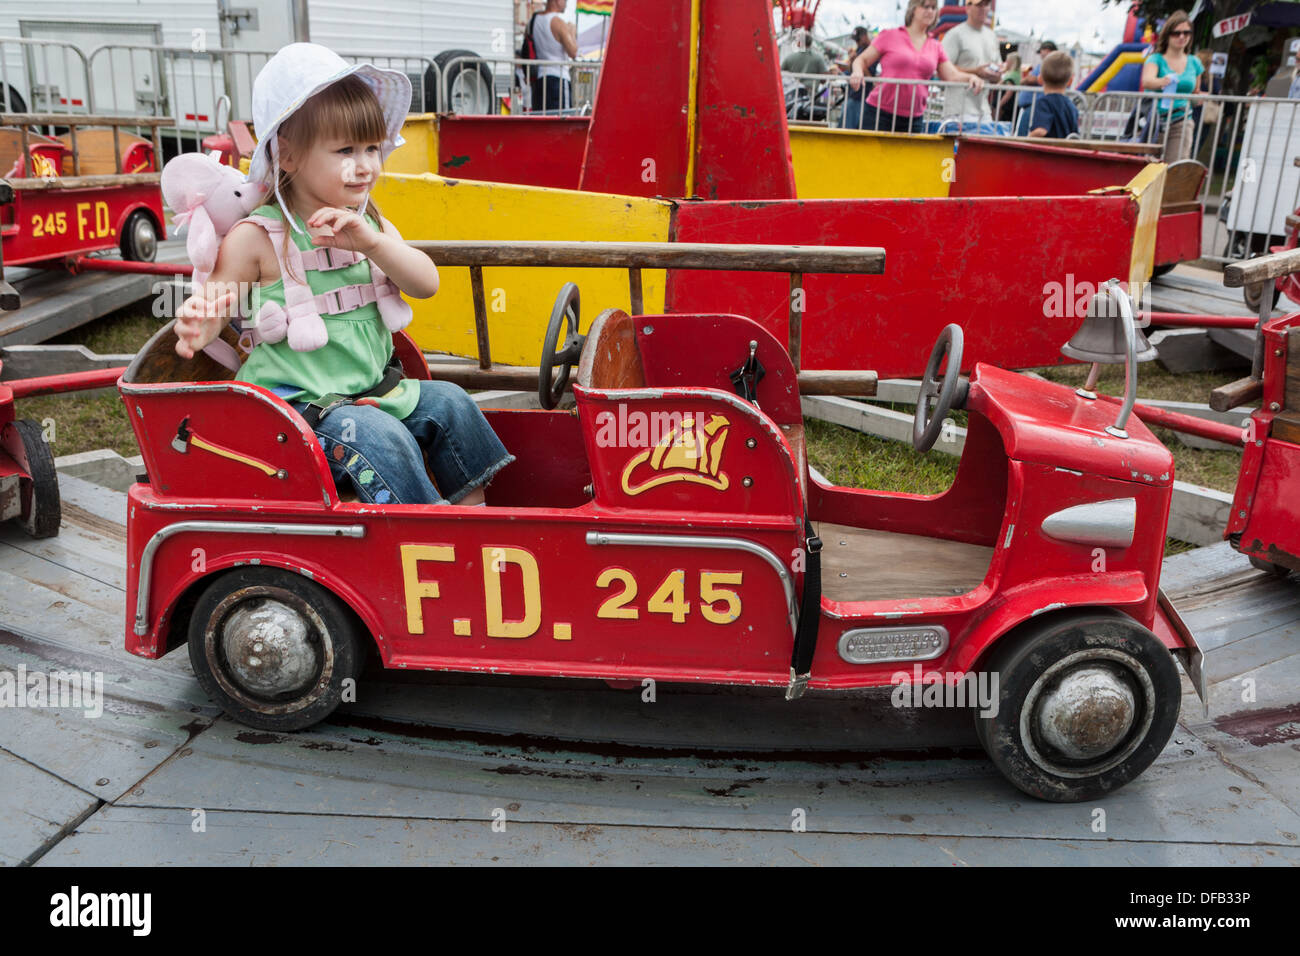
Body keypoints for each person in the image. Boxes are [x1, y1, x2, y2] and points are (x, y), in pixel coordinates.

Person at [172, 43, 514, 506]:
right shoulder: (260, 237)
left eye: (373, 147)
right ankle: (427, 531)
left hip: (375, 391)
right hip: (296, 414)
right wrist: (200, 320)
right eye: (346, 150)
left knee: (452, 402)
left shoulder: (368, 222)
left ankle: (474, 524)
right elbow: (218, 301)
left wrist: (373, 244)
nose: (366, 164)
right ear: (288, 156)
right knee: (379, 437)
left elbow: (425, 283)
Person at [848, 0, 985, 134]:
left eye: (933, 7)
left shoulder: (936, 46)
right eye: (925, 6)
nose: (930, 11)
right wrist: (857, 72)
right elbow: (861, 60)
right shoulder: (889, 35)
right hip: (878, 113)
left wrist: (972, 77)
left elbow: (952, 75)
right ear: (913, 9)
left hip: (913, 119)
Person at [1141, 9, 1204, 162]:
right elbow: (1147, 81)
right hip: (1155, 121)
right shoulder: (1156, 59)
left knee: (1176, 167)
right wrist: (1163, 81)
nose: (1182, 36)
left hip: (1182, 120)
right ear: (1168, 35)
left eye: (1186, 32)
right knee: (1148, 168)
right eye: (1176, 33)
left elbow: (1196, 91)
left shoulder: (1195, 62)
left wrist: (1200, 97)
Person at [941, 0, 1003, 127]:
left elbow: (999, 73)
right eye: (979, 5)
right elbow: (942, 69)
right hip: (958, 109)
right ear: (967, 7)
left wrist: (997, 74)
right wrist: (975, 71)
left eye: (986, 5)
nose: (983, 8)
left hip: (984, 109)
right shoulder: (955, 34)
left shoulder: (992, 36)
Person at [533, 0, 578, 113]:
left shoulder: (535, 20)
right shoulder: (557, 22)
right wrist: (572, 32)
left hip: (540, 77)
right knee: (563, 120)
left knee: (542, 120)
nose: (566, 4)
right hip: (559, 78)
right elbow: (573, 52)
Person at [1020, 51, 1079, 138]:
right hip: (1064, 150)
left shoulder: (1044, 103)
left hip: (1046, 150)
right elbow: (1074, 135)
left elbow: (1040, 131)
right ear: (1070, 81)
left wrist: (1026, 140)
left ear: (1040, 79)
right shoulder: (1071, 106)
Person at [838, 26, 877, 130]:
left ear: (864, 37)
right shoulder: (860, 49)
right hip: (854, 94)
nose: (857, 43)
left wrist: (858, 61)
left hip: (864, 96)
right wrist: (852, 60)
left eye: (858, 40)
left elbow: (871, 77)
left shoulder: (872, 51)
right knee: (846, 127)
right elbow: (852, 71)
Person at [1014, 40, 1057, 128]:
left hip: (1034, 107)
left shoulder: (1049, 64)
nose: (1040, 54)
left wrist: (1024, 80)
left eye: (1041, 51)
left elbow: (1033, 79)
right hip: (1034, 106)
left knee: (1024, 137)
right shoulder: (1048, 64)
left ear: (1047, 50)